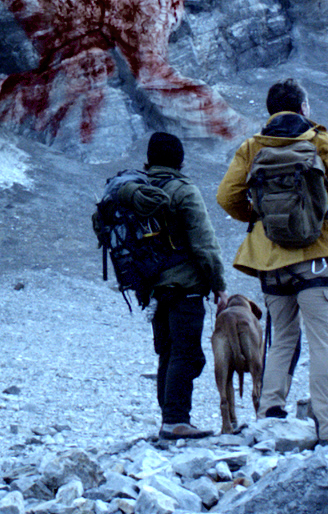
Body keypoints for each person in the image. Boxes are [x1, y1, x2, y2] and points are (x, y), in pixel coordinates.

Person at [215, 78, 328, 444]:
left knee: (282, 338)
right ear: (303, 108)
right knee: (323, 343)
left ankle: (269, 416)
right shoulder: (320, 141)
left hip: (271, 262)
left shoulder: (253, 146)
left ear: (271, 110)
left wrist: (261, 217)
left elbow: (225, 196)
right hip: (316, 258)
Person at [139, 132, 227, 440]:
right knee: (186, 353)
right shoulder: (183, 191)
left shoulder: (138, 190)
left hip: (152, 288)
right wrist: (219, 284)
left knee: (167, 352)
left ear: (148, 159)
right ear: (181, 161)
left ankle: (168, 419)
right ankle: (176, 419)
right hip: (185, 287)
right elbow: (204, 243)